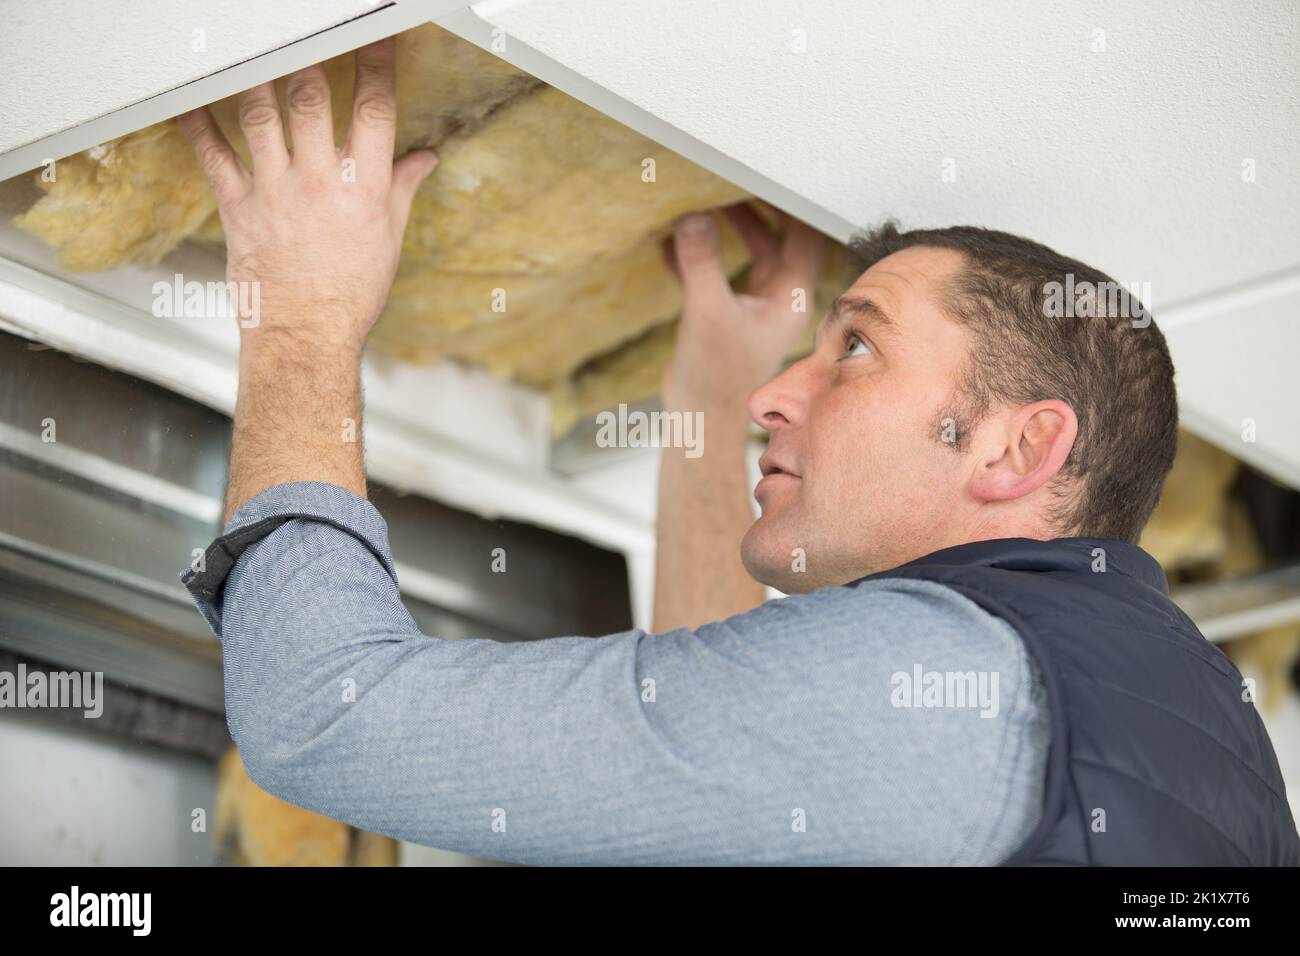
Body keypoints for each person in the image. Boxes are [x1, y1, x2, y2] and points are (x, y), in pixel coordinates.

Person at [177, 40, 1299, 865]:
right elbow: (717, 780)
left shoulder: (943, 702)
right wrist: (711, 408)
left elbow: (322, 712)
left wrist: (303, 321)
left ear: (1014, 443)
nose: (780, 390)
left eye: (855, 345)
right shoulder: (1205, 736)